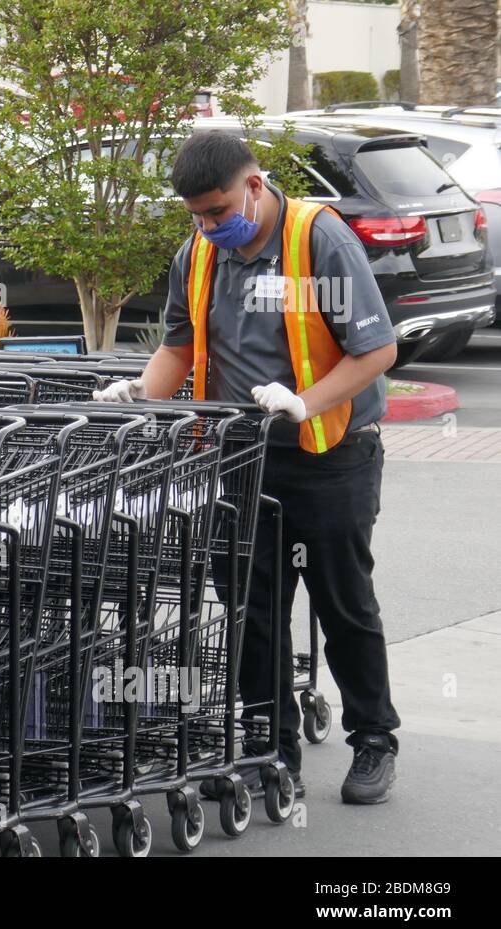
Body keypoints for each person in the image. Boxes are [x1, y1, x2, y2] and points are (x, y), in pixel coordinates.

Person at [95, 130, 400, 804]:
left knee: (343, 602)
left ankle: (374, 739)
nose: (209, 225)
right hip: (239, 458)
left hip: (329, 454)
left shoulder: (318, 240)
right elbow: (179, 346)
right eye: (198, 215)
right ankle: (270, 748)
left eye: (218, 210)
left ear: (254, 187)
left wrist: (303, 401)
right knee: (250, 610)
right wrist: (141, 393)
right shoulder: (199, 254)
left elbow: (377, 352)